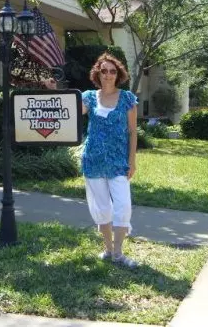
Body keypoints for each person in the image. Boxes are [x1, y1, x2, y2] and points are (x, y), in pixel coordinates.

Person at [46, 53, 138, 268]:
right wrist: (53, 90)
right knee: (102, 208)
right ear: (98, 73)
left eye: (112, 71)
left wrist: (132, 161)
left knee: (123, 206)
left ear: (119, 74)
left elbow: (133, 132)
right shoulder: (88, 97)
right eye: (104, 70)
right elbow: (69, 110)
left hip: (118, 162)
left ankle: (119, 253)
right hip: (93, 160)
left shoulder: (127, 99)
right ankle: (109, 250)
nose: (108, 75)